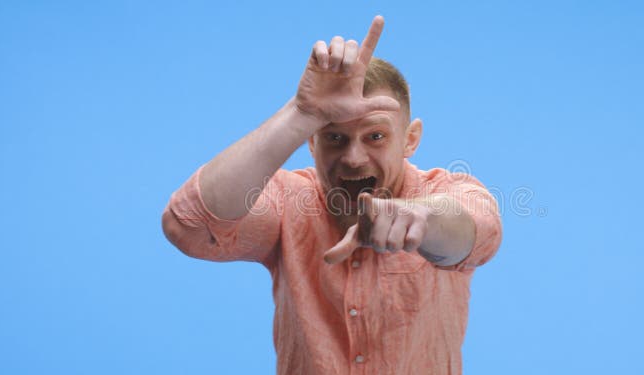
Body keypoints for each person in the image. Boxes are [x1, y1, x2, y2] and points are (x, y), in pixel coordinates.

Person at [161, 15, 502, 375]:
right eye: (334, 137)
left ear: (410, 139)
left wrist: (422, 220)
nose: (353, 158)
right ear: (312, 141)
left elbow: (480, 232)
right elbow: (189, 227)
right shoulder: (288, 202)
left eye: (375, 137)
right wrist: (301, 112)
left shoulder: (447, 190)